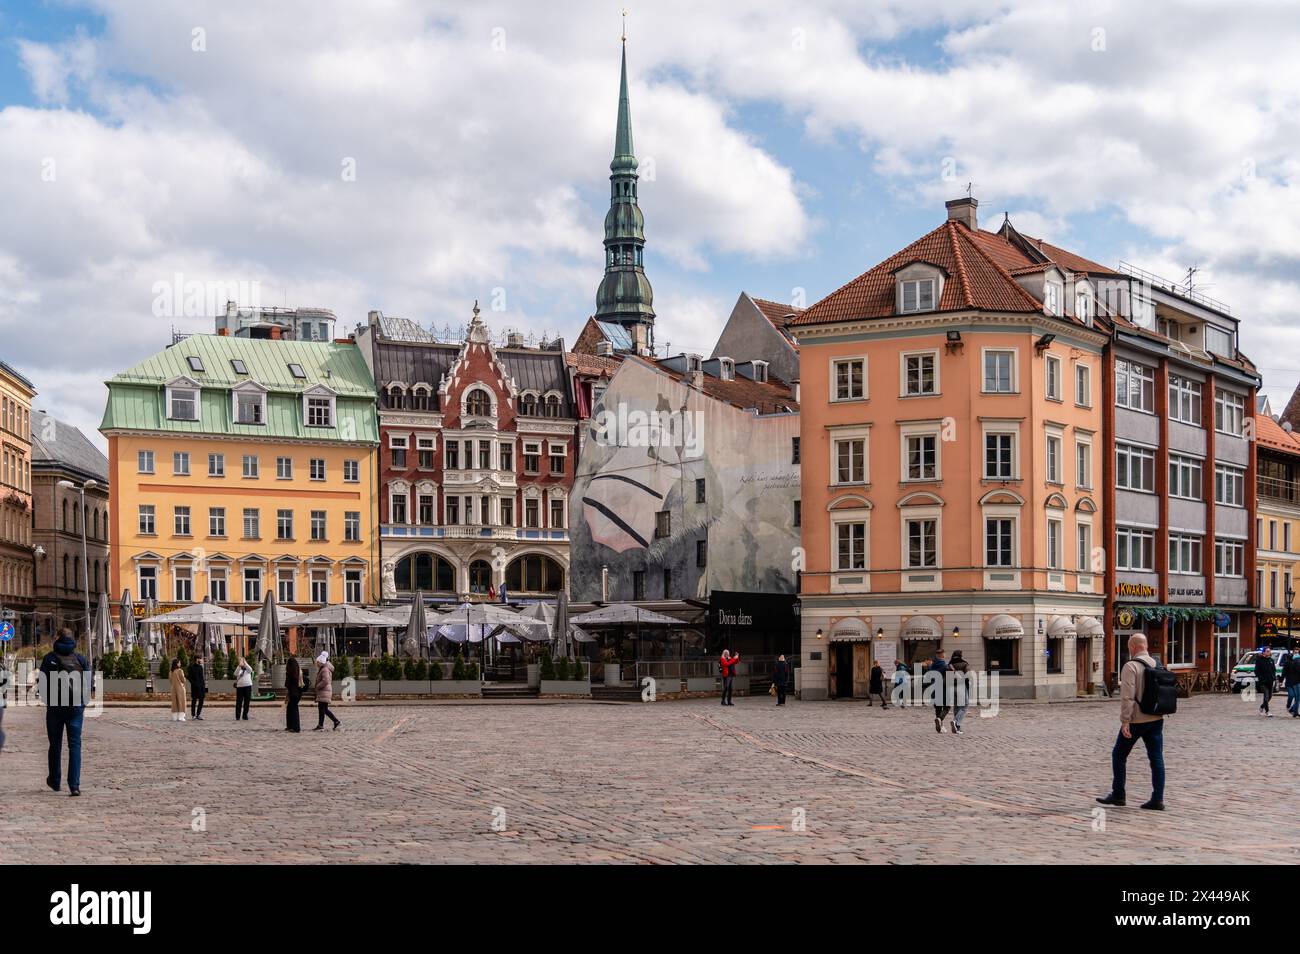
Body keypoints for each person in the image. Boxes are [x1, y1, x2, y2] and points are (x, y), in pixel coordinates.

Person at [1097, 634, 1165, 811]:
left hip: (1137, 719)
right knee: (1156, 759)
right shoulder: (1158, 664)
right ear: (1145, 645)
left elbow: (1127, 696)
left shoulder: (1131, 666)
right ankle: (1157, 799)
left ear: (1133, 647)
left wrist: (1125, 721)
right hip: (1157, 718)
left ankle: (1118, 794)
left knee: (1119, 755)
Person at [39, 630, 91, 796]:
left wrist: (49, 702)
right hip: (75, 707)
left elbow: (42, 684)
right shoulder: (81, 659)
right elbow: (88, 684)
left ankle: (55, 781)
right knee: (75, 745)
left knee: (55, 745)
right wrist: (82, 704)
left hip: (55, 707)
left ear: (57, 638)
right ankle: (74, 785)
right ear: (72, 640)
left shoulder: (49, 658)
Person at [313, 651, 340, 731]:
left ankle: (333, 722)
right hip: (325, 692)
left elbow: (326, 681)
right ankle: (332, 722)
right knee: (323, 709)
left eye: (317, 662)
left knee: (323, 709)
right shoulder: (324, 668)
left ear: (321, 662)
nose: (317, 664)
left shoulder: (324, 669)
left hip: (324, 692)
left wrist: (317, 686)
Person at [926, 649, 950, 733]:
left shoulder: (931, 666)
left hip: (933, 689)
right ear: (943, 655)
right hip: (943, 690)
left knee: (938, 708)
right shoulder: (945, 665)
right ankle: (940, 719)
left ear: (937, 656)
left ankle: (940, 726)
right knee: (947, 707)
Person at [949, 650, 971, 734]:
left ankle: (957, 727)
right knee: (965, 705)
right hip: (961, 686)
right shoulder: (964, 664)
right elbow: (968, 675)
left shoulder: (950, 664)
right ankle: (956, 722)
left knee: (956, 706)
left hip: (951, 686)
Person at [1255, 647, 1277, 717]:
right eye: (1267, 651)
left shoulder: (1271, 660)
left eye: (1269, 651)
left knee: (1270, 697)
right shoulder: (1259, 660)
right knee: (1266, 696)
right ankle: (1267, 711)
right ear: (1263, 652)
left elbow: (1274, 670)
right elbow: (1256, 671)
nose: (1269, 652)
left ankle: (1261, 707)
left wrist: (1273, 677)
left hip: (1270, 681)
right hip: (1263, 682)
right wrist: (1261, 678)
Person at [285, 656, 304, 732]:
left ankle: (295, 727)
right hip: (298, 693)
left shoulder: (291, 673)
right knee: (291, 709)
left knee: (293, 710)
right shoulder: (298, 671)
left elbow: (287, 684)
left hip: (293, 693)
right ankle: (291, 726)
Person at [232, 655, 254, 721]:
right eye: (240, 660)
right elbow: (235, 674)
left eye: (242, 660)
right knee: (239, 702)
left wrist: (245, 663)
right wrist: (239, 666)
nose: (241, 661)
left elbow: (250, 670)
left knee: (247, 702)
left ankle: (245, 715)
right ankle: (237, 716)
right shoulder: (238, 668)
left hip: (248, 686)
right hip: (240, 687)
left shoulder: (247, 668)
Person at [187, 653, 207, 721]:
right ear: (197, 659)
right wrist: (194, 683)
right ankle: (193, 715)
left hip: (201, 687)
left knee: (201, 701)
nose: (201, 660)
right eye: (200, 659)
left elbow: (202, 678)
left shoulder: (200, 667)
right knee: (194, 701)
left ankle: (198, 714)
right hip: (195, 687)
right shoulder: (191, 667)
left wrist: (203, 687)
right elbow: (189, 677)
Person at [168, 658, 188, 722]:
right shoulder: (180, 671)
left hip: (173, 688)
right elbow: (183, 680)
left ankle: (175, 716)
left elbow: (170, 680)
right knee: (181, 702)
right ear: (177, 664)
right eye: (179, 663)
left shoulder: (171, 672)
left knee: (175, 703)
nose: (180, 664)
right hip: (180, 688)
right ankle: (181, 717)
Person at [1285, 648, 1300, 718]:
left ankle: (1293, 710)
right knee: (1295, 696)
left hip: (1295, 681)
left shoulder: (1295, 661)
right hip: (1294, 681)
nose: (1296, 653)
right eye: (1295, 652)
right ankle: (1294, 711)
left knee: (1297, 697)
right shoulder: (1293, 662)